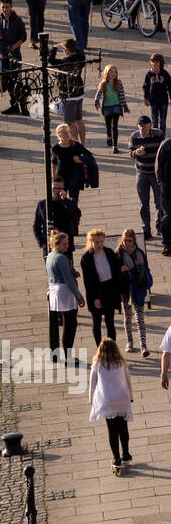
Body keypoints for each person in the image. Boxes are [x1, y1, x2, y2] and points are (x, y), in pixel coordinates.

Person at [89, 339, 134, 472]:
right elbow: (128, 381)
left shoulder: (97, 364)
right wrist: (131, 397)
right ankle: (126, 454)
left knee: (112, 430)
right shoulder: (121, 363)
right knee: (123, 428)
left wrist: (91, 399)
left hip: (107, 401)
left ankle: (116, 458)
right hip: (121, 399)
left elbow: (92, 384)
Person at [47, 230, 84, 362]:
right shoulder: (61, 258)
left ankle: (57, 355)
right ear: (56, 245)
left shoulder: (51, 256)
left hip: (54, 290)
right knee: (70, 325)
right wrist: (79, 296)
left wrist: (73, 271)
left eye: (67, 243)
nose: (67, 246)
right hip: (65, 293)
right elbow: (68, 280)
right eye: (64, 244)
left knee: (62, 324)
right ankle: (68, 356)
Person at [81, 228, 122, 346]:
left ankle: (112, 349)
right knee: (97, 322)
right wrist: (95, 298)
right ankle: (99, 348)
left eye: (101, 241)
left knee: (110, 322)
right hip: (96, 291)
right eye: (96, 242)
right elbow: (88, 282)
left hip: (110, 290)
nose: (99, 244)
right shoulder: (86, 258)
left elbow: (117, 270)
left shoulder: (109, 253)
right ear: (91, 242)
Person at [117, 228, 151, 357]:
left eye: (130, 241)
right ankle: (129, 341)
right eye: (125, 240)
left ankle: (143, 346)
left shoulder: (139, 253)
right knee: (128, 317)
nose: (127, 243)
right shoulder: (119, 253)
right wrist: (121, 269)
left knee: (140, 317)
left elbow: (146, 269)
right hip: (125, 290)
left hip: (138, 289)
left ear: (134, 241)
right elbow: (115, 272)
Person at [129, 115, 162, 240]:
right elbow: (130, 153)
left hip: (156, 173)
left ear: (150, 126)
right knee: (143, 203)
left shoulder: (158, 134)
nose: (142, 128)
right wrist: (135, 153)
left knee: (159, 202)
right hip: (141, 172)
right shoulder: (134, 137)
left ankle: (159, 227)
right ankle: (146, 229)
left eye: (145, 126)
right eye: (140, 126)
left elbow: (163, 150)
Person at [0, 0, 27, 115]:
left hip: (15, 56)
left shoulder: (17, 20)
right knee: (7, 81)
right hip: (3, 55)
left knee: (18, 81)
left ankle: (23, 106)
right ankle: (13, 105)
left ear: (11, 7)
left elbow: (23, 37)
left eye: (7, 7)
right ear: (0, 7)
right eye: (3, 7)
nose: (5, 9)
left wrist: (13, 47)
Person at [48, 38, 86, 144]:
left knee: (71, 123)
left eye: (64, 49)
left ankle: (75, 146)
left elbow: (51, 60)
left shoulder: (66, 61)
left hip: (69, 93)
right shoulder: (81, 57)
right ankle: (82, 144)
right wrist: (69, 46)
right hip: (79, 92)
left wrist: (54, 48)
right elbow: (79, 52)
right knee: (79, 120)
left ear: (67, 50)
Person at [34, 179, 81, 261]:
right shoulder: (42, 204)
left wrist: (66, 200)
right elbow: (36, 226)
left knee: (67, 271)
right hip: (49, 246)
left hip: (65, 247)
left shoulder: (69, 202)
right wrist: (42, 243)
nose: (57, 191)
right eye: (55, 188)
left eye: (60, 188)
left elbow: (76, 215)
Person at [93, 64, 128, 152]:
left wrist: (125, 107)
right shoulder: (104, 83)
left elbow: (122, 96)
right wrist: (96, 102)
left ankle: (115, 146)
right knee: (108, 126)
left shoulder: (118, 83)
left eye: (115, 72)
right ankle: (109, 136)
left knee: (114, 126)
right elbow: (98, 94)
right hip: (107, 107)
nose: (113, 74)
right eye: (111, 72)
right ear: (107, 73)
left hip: (116, 107)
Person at [51, 123, 88, 204]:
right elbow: (54, 163)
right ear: (59, 134)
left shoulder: (75, 145)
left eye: (68, 132)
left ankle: (74, 216)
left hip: (74, 176)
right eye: (65, 132)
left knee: (73, 200)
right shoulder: (55, 148)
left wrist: (80, 159)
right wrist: (54, 178)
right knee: (60, 201)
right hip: (61, 177)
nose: (67, 134)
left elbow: (88, 155)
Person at [143, 52, 171, 135]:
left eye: (156, 61)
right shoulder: (149, 74)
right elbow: (146, 87)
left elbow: (170, 87)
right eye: (153, 61)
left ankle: (162, 139)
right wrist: (146, 98)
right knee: (154, 122)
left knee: (162, 123)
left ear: (160, 63)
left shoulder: (165, 74)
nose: (154, 63)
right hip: (153, 101)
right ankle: (155, 139)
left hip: (163, 101)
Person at [158, 131, 171, 256]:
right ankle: (167, 243)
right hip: (167, 186)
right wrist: (160, 180)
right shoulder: (166, 144)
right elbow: (159, 162)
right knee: (167, 216)